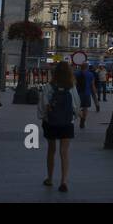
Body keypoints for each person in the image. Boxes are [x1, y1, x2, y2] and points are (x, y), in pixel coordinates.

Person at [37, 61, 85, 192]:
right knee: (64, 152)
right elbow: (76, 105)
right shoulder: (71, 87)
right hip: (66, 123)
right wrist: (75, 116)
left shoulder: (49, 86)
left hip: (50, 123)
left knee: (51, 150)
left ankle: (50, 178)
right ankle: (64, 181)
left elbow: (42, 105)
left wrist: (43, 117)